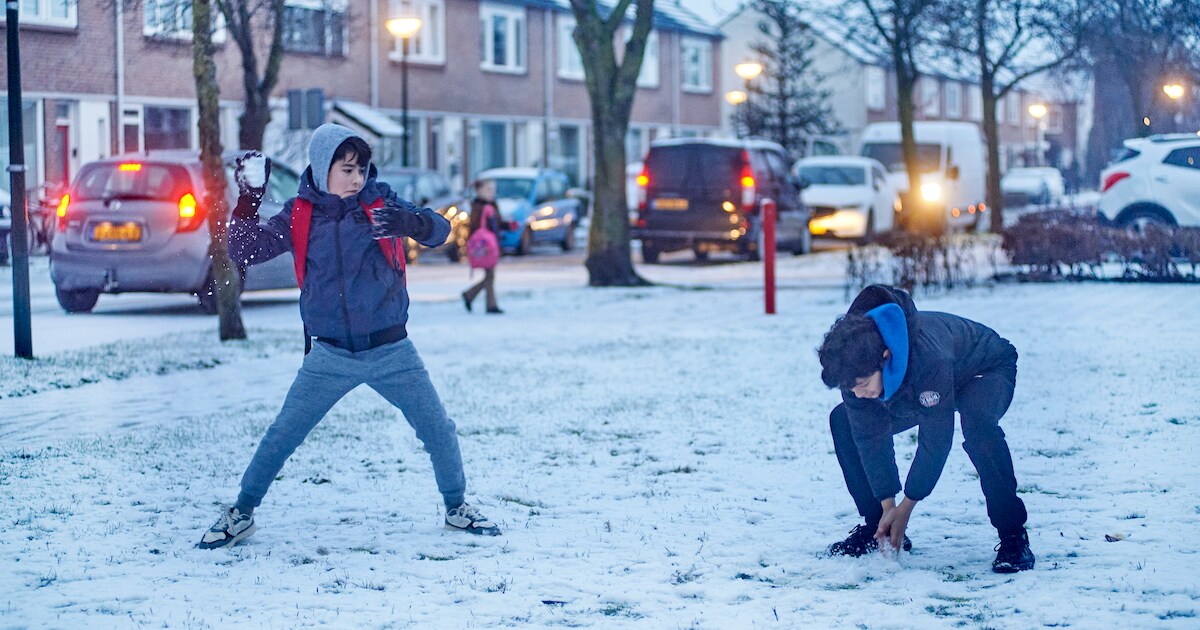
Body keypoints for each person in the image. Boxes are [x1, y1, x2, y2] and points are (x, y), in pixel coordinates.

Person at [198, 123, 500, 549]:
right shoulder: (300, 214)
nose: (357, 178)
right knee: (282, 434)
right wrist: (249, 200)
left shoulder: (380, 204)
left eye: (361, 169)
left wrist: (409, 221)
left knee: (437, 428)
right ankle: (242, 512)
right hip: (330, 355)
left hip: (392, 348)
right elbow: (245, 250)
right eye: (347, 169)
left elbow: (439, 230)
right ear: (324, 169)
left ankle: (457, 505)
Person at [817, 284, 1035, 573]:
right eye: (851, 388)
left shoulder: (928, 356)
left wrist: (907, 505)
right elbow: (870, 437)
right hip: (919, 384)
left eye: (863, 386)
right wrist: (888, 506)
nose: (857, 394)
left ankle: (1013, 536)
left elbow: (936, 440)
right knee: (844, 420)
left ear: (885, 358)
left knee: (978, 423)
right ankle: (880, 529)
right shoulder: (853, 366)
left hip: (984, 369)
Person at [461, 178, 503, 314]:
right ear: (479, 191)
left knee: (490, 275)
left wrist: (509, 225)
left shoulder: (492, 205)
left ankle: (470, 295)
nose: (492, 193)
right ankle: (490, 305)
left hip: (493, 244)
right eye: (488, 189)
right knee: (490, 274)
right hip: (484, 246)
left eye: (493, 190)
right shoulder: (477, 207)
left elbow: (499, 223)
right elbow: (475, 227)